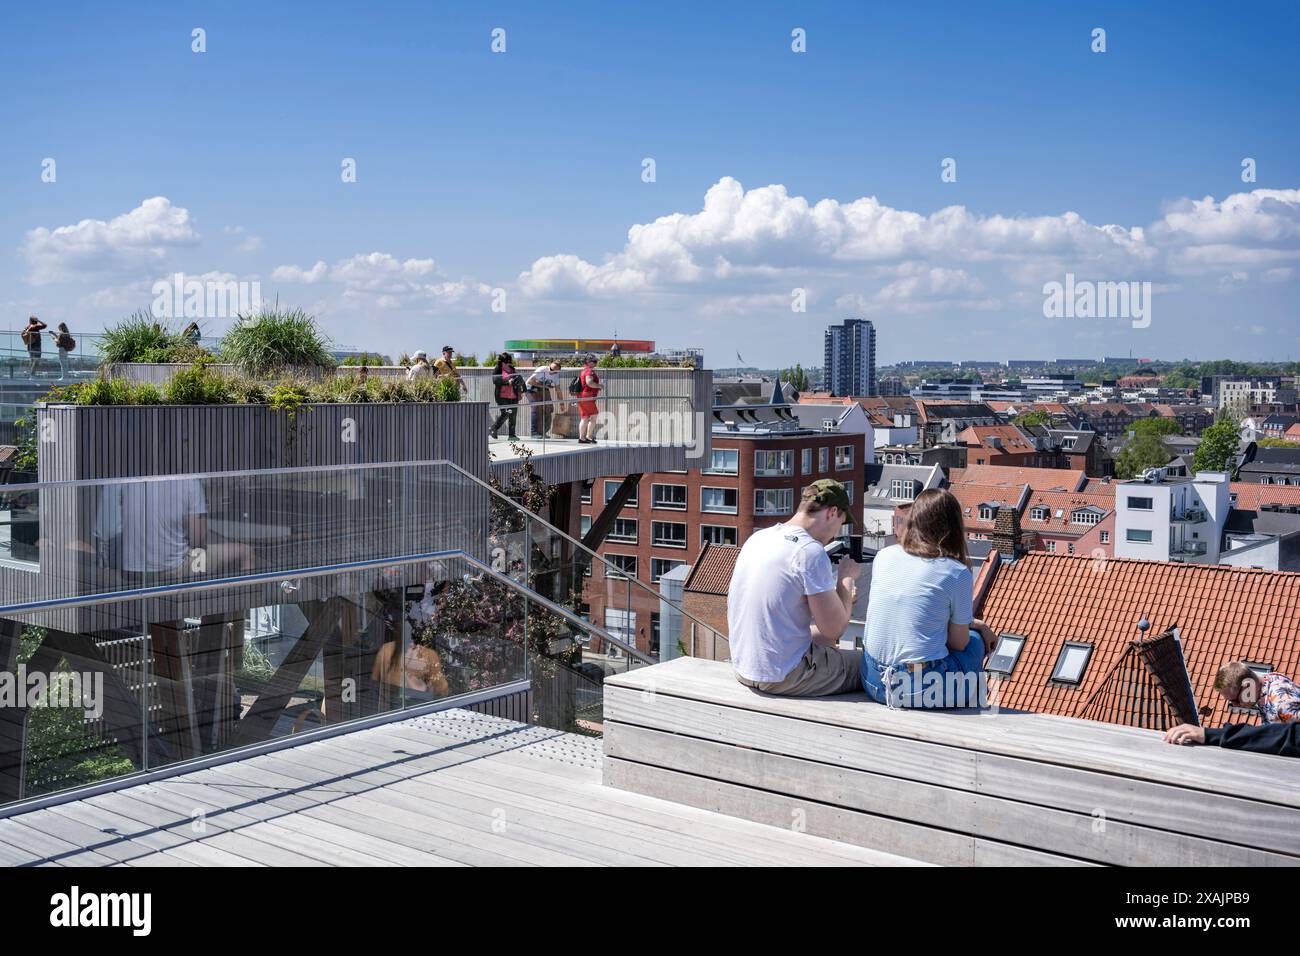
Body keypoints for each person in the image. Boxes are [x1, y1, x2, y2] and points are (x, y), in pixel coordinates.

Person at [859, 488, 995, 710]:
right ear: (953, 527)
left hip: (872, 680)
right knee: (974, 641)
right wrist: (976, 628)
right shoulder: (956, 572)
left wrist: (975, 623)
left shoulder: (883, 556)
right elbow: (958, 643)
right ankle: (970, 697)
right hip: (917, 689)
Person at [727, 479, 862, 697]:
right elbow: (835, 629)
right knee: (868, 665)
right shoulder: (810, 551)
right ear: (832, 513)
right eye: (841, 522)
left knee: (824, 642)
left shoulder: (757, 538)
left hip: (744, 668)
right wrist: (846, 579)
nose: (836, 533)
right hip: (785, 676)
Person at [1164, 664, 1300, 755]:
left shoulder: (1282, 704)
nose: (1235, 706)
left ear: (1247, 687)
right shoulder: (1267, 680)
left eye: (1235, 700)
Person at [489, 351, 523, 441]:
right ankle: (493, 428)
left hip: (513, 395)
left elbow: (518, 380)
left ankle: (512, 435)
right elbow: (495, 381)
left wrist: (519, 392)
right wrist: (507, 382)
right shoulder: (498, 369)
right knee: (506, 413)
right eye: (506, 362)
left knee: (513, 415)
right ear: (501, 362)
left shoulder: (512, 368)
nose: (508, 364)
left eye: (509, 362)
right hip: (502, 396)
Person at [525, 361, 564, 437]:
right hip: (530, 388)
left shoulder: (556, 376)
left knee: (548, 408)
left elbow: (558, 390)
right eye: (550, 369)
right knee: (536, 408)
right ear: (549, 366)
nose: (551, 372)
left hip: (542, 388)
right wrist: (545, 386)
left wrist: (561, 403)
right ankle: (534, 432)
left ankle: (542, 432)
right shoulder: (542, 370)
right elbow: (530, 381)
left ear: (558, 371)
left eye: (554, 371)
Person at [576, 354, 602, 444]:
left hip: (582, 396)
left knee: (585, 417)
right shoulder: (589, 371)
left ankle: (582, 438)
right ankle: (589, 436)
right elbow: (589, 382)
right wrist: (599, 386)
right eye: (594, 361)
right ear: (588, 362)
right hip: (587, 396)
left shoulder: (584, 370)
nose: (596, 363)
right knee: (594, 415)